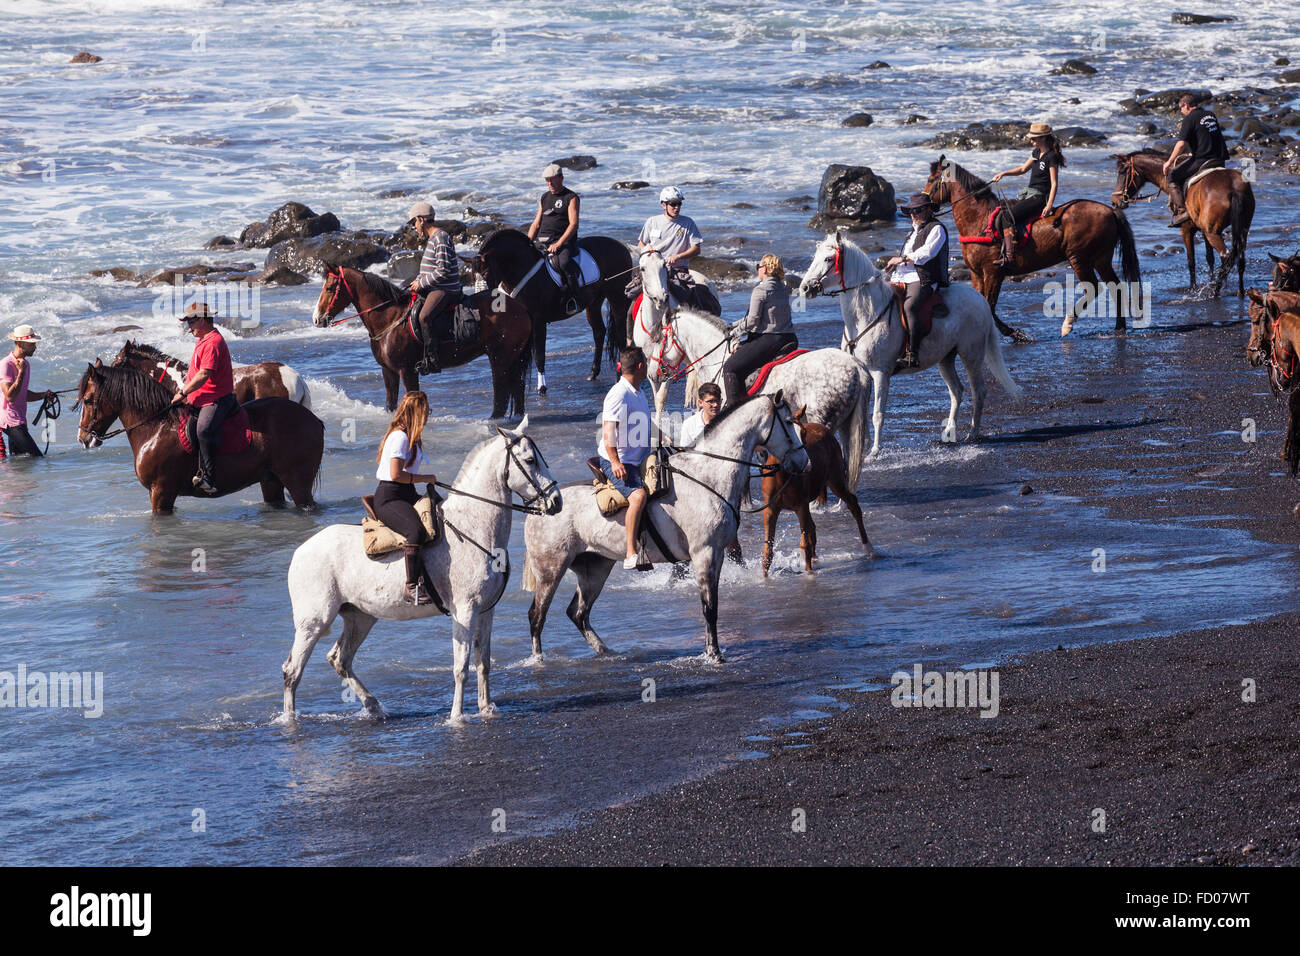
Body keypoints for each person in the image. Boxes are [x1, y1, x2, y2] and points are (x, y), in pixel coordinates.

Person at [373, 390, 440, 605]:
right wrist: (425, 478)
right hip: (390, 497)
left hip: (406, 494)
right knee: (415, 530)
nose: (429, 415)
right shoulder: (400, 437)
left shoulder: (412, 438)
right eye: (427, 410)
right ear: (417, 412)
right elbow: (396, 475)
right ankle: (411, 586)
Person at [170, 303, 236, 494]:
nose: (188, 326)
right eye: (188, 322)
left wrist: (183, 393)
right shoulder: (203, 340)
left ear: (202, 320)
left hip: (216, 399)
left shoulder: (213, 342)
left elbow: (204, 375)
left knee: (204, 429)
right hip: (200, 398)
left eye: (191, 322)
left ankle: (210, 477)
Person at [599, 346, 653, 570]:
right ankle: (631, 552)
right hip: (619, 460)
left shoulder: (638, 392)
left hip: (639, 457)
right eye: (646, 363)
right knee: (638, 497)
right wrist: (614, 462)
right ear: (640, 367)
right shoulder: (619, 393)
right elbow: (608, 429)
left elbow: (640, 422)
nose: (648, 367)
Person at [721, 254, 797, 409]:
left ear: (766, 269)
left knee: (730, 368)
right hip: (790, 337)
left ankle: (733, 413)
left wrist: (734, 333)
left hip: (770, 339)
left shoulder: (761, 289)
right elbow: (757, 317)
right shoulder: (784, 288)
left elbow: (753, 320)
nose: (757, 270)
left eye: (759, 267)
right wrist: (733, 325)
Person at [885, 192, 950, 368]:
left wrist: (902, 259)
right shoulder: (911, 232)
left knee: (909, 306)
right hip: (901, 276)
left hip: (923, 278)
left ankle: (912, 354)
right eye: (910, 211)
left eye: (918, 210)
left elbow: (927, 254)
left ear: (929, 210)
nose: (913, 215)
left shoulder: (937, 228)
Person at [990, 122, 1064, 269]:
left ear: (1043, 138)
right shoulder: (1036, 153)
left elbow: (1054, 183)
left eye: (1034, 139)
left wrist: (1049, 205)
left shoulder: (1051, 157)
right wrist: (1003, 173)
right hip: (1030, 194)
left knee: (1007, 217)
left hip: (1040, 197)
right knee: (1002, 209)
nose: (1031, 141)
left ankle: (1010, 257)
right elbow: (1022, 169)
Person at [405, 201, 462, 375]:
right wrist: (417, 281)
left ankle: (432, 359)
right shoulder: (433, 239)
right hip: (436, 287)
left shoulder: (441, 237)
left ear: (421, 220)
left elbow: (443, 270)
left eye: (414, 223)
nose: (415, 227)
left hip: (446, 290)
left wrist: (421, 283)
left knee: (424, 316)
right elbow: (431, 269)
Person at [1164, 94, 1230, 227]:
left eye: (1180, 108)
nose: (1181, 112)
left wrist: (1169, 162)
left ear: (1186, 106)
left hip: (1203, 160)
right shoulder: (1210, 115)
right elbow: (1206, 135)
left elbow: (1181, 144)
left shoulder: (1190, 118)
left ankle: (1183, 212)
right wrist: (1194, 151)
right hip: (1219, 158)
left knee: (1172, 176)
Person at [638, 186, 706, 308]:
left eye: (679, 204)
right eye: (673, 204)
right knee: (631, 304)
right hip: (654, 271)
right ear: (664, 205)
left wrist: (678, 257)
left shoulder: (688, 223)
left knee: (694, 305)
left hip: (677, 270)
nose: (677, 207)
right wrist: (650, 259)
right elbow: (642, 245)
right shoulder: (652, 222)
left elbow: (696, 248)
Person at [527, 163, 581, 312]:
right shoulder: (544, 197)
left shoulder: (571, 197)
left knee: (563, 263)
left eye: (552, 179)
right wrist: (527, 241)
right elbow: (536, 223)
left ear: (561, 178)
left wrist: (559, 243)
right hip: (541, 241)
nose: (549, 183)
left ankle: (573, 297)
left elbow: (573, 224)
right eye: (547, 180)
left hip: (563, 242)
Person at [1, 324, 56, 458]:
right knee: (37, 458)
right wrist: (20, 373)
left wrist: (44, 395)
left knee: (20, 462)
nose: (35, 347)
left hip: (19, 420)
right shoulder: (6, 364)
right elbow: (10, 396)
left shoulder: (26, 365)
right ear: (20, 344)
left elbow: (22, 394)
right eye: (31, 344)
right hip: (10, 421)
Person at [678, 381, 721, 447]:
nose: (715, 405)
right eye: (711, 401)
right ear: (700, 403)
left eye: (718, 401)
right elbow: (685, 453)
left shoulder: (730, 421)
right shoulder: (689, 424)